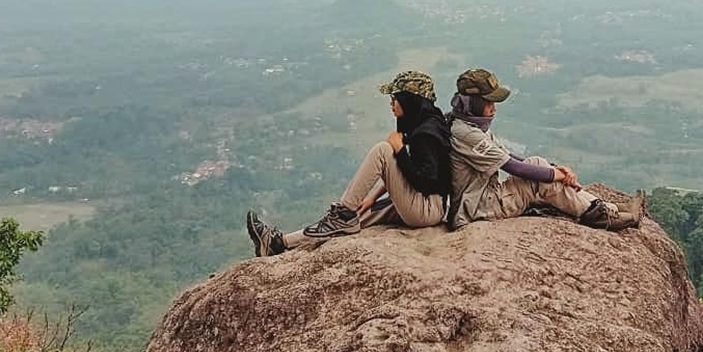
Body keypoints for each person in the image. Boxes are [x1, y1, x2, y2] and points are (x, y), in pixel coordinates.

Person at [246, 70, 452, 257]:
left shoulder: (426, 134)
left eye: (395, 98)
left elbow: (426, 182)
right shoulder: (423, 124)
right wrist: (372, 198)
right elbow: (401, 174)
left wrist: (399, 152)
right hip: (423, 205)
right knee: (358, 217)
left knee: (383, 150)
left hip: (427, 210)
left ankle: (343, 213)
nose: (391, 104)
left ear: (410, 101)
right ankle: (279, 243)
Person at [446, 68, 645, 232]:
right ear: (473, 104)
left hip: (484, 198)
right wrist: (556, 175)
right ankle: (601, 217)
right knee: (542, 179)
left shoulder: (469, 125)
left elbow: (509, 157)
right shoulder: (466, 134)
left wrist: (554, 169)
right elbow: (513, 167)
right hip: (477, 208)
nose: (494, 108)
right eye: (489, 103)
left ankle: (606, 207)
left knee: (537, 164)